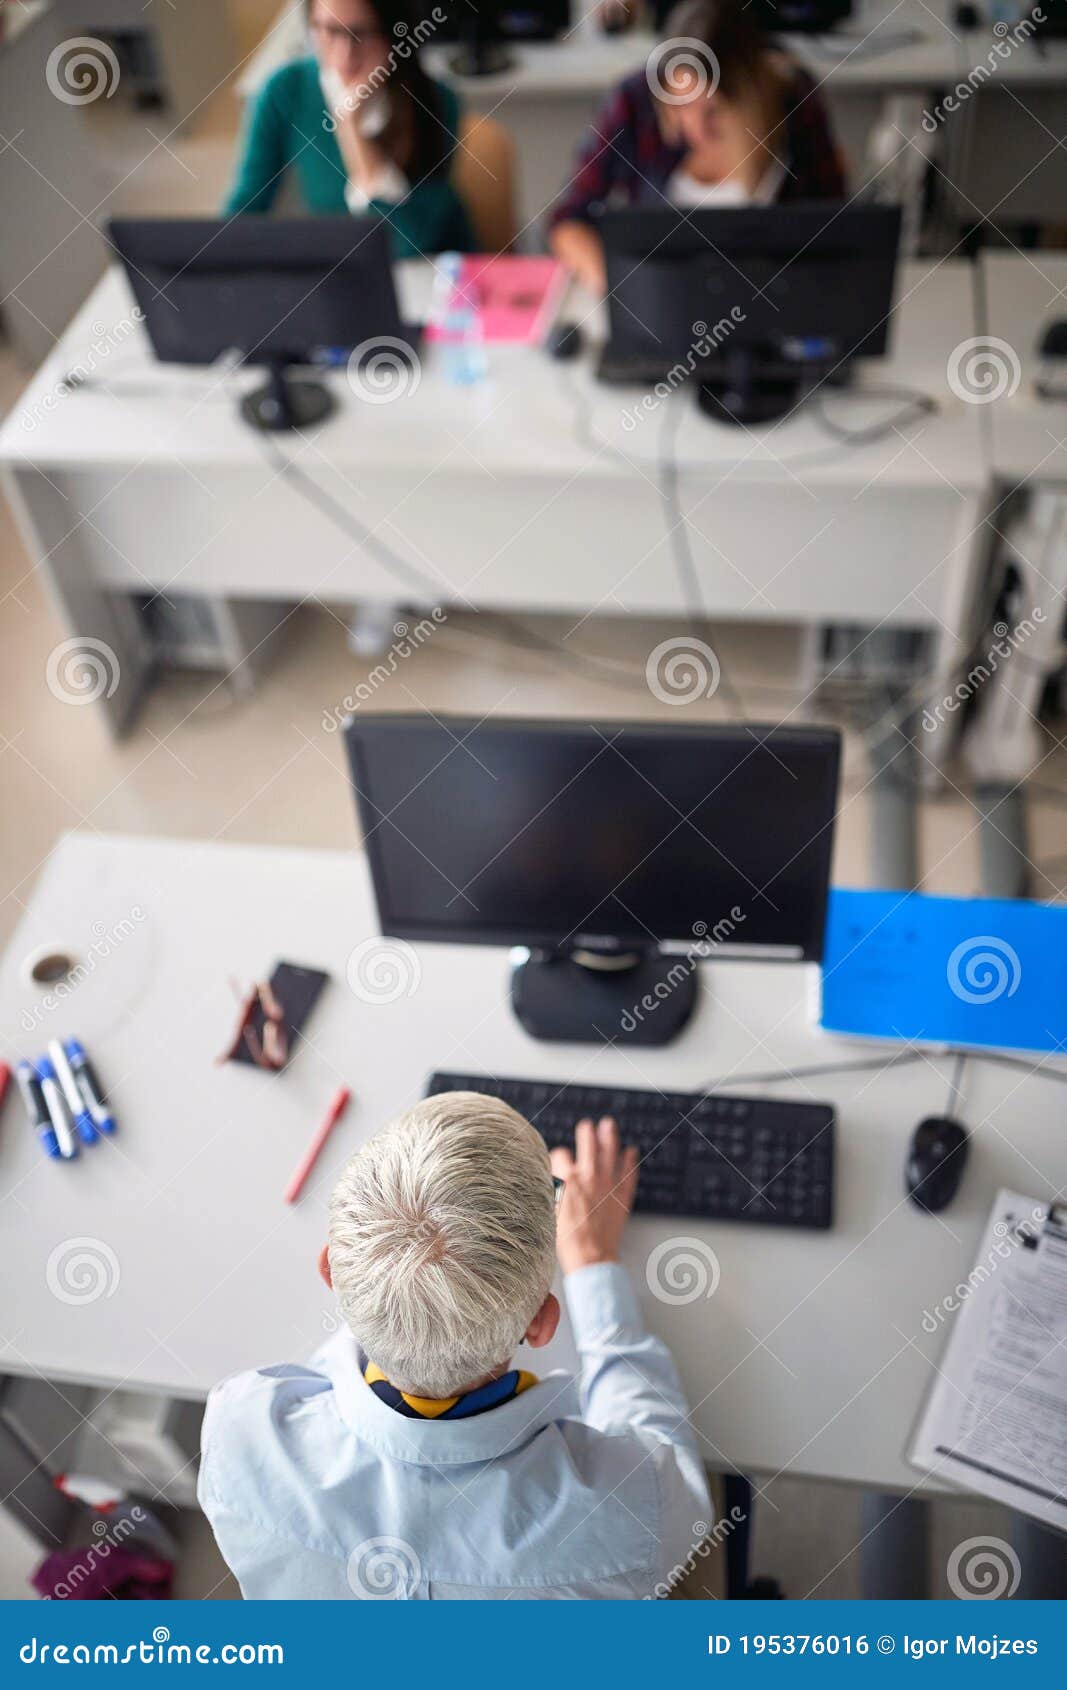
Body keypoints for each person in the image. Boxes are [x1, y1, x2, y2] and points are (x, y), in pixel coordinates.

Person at [198, 1094, 713, 1599]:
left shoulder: (239, 1435)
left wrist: (389, 1281)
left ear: (329, 1271)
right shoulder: (627, 1517)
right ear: (541, 1323)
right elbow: (684, 1496)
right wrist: (596, 1263)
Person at [549, 0, 847, 294]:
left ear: (750, 99)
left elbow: (836, 225)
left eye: (714, 110)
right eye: (681, 104)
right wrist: (619, 289)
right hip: (663, 304)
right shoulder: (633, 102)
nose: (695, 127)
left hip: (776, 303)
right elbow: (569, 220)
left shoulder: (794, 99)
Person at [224, 0, 474, 259]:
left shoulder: (435, 101)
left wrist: (351, 130)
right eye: (331, 31)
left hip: (435, 278)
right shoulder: (285, 90)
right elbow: (244, 210)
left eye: (361, 33)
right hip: (341, 274)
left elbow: (404, 248)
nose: (345, 54)